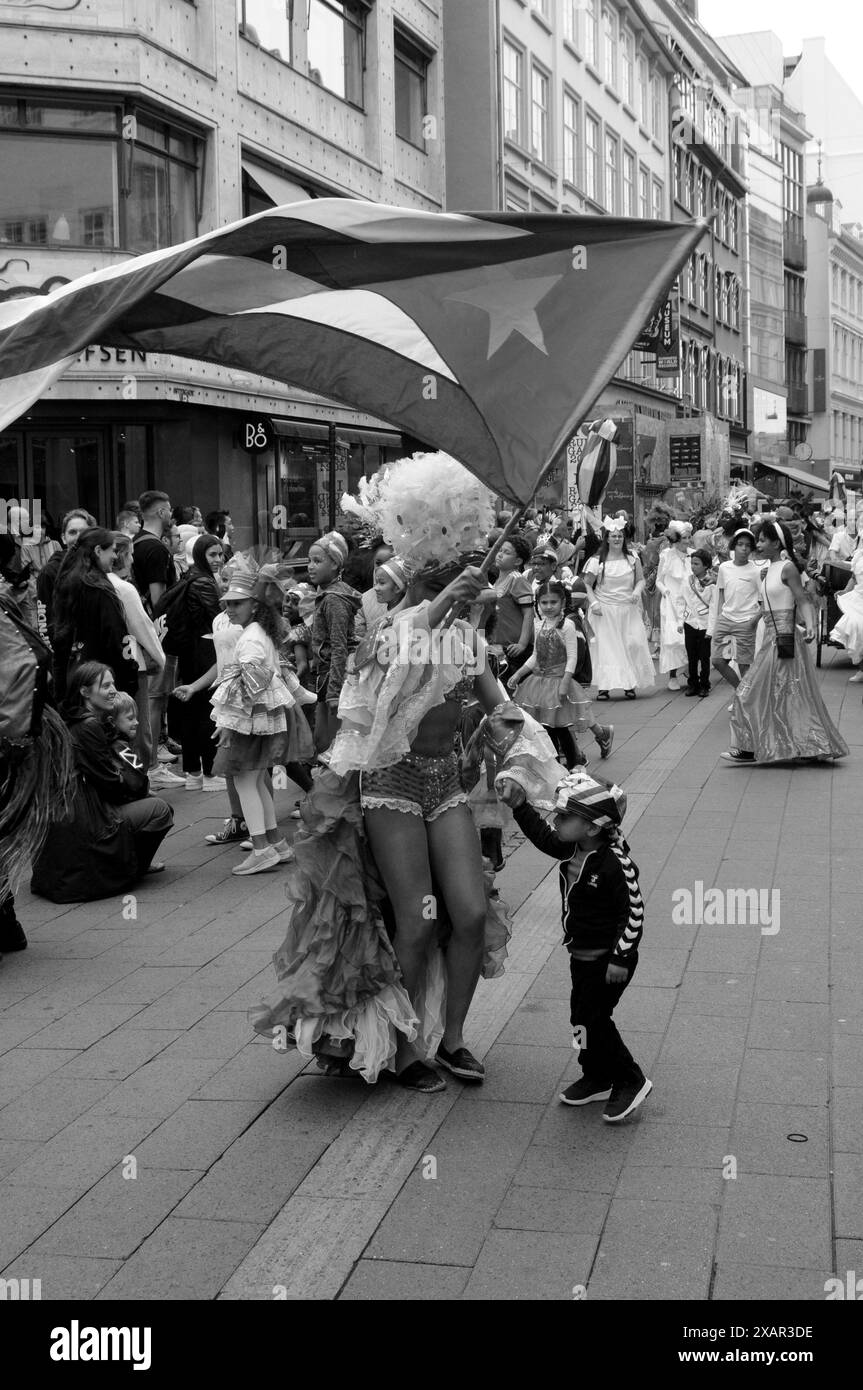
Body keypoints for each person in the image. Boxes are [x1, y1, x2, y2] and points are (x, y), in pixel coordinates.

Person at [252, 453, 513, 1092]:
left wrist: (532, 757)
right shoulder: (388, 631)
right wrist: (436, 609)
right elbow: (385, 676)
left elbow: (499, 705)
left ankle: (451, 1040)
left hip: (443, 783)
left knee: (472, 915)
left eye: (456, 582)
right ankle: (402, 1052)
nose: (453, 592)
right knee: (418, 917)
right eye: (439, 583)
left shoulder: (466, 640)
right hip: (389, 786)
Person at [500, 769, 652, 1122]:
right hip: (581, 956)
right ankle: (595, 1074)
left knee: (595, 1020)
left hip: (609, 960)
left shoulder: (617, 865)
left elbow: (634, 914)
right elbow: (543, 837)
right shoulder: (572, 847)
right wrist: (520, 806)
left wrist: (621, 957)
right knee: (580, 1019)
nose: (557, 819)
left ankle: (630, 1079)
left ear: (593, 827)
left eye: (566, 816)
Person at [31, 662, 174, 901]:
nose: (113, 690)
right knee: (160, 809)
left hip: (69, 815)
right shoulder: (91, 727)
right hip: (85, 819)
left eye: (113, 684)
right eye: (106, 685)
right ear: (85, 692)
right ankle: (133, 868)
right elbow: (114, 783)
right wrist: (136, 785)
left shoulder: (71, 721)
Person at [1, 544, 76, 954]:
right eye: (20, 578)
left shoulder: (7, 615)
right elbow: (29, 665)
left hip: (16, 741)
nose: (28, 585)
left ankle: (6, 921)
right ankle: (6, 921)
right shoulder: (5, 615)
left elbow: (29, 665)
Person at [723, 520, 849, 765]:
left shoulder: (787, 567)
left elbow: (802, 599)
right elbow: (768, 605)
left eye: (761, 540)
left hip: (785, 640)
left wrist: (812, 625)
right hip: (772, 639)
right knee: (777, 694)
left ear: (776, 543)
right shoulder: (767, 570)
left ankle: (754, 749)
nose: (756, 544)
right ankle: (797, 746)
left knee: (766, 693)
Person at [210, 568, 302, 874]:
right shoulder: (261, 633)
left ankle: (262, 848)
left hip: (250, 720)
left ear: (255, 605)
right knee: (256, 778)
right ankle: (275, 842)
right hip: (265, 719)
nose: (229, 608)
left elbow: (248, 686)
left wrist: (227, 723)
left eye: (237, 603)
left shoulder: (249, 638)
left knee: (244, 780)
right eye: (228, 603)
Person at [508, 580, 612, 767]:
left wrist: (565, 681)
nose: (548, 607)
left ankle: (574, 764)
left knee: (561, 728)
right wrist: (519, 674)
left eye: (553, 602)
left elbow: (572, 657)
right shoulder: (538, 625)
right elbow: (535, 656)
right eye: (544, 602)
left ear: (562, 602)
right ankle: (554, 766)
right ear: (538, 604)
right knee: (545, 729)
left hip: (558, 682)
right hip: (538, 683)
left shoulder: (568, 625)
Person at [51, 528, 139, 703]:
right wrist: (130, 677)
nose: (115, 557)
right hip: (103, 684)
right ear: (98, 551)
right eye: (113, 550)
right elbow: (116, 637)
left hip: (74, 682)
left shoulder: (65, 582)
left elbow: (60, 638)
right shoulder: (100, 589)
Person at [168, 534, 227, 790]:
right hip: (206, 649)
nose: (217, 559)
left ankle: (194, 773)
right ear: (202, 554)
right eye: (212, 554)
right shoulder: (204, 582)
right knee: (206, 710)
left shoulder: (190, 576)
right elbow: (220, 618)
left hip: (191, 650)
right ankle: (211, 774)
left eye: (220, 554)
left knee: (192, 709)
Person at [133, 491, 181, 785]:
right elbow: (159, 599)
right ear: (162, 512)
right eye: (170, 509)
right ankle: (151, 764)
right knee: (155, 698)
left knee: (153, 698)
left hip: (143, 632)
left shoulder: (136, 544)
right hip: (156, 633)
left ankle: (150, 760)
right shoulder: (155, 549)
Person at [109, 532, 165, 766]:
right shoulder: (123, 588)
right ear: (119, 555)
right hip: (132, 663)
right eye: (130, 554)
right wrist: (161, 659)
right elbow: (143, 628)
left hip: (106, 667)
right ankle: (143, 773)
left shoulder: (91, 583)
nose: (133, 560)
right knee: (137, 723)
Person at [582, 518, 654, 700]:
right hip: (604, 610)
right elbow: (587, 584)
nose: (616, 539)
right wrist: (594, 603)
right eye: (613, 536)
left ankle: (630, 683)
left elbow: (640, 579)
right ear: (607, 538)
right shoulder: (597, 561)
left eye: (620, 536)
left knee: (633, 645)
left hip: (628, 609)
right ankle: (604, 687)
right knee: (607, 649)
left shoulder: (632, 558)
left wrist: (637, 591)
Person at [307, 531, 361, 753]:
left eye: (317, 561)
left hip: (334, 679)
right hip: (327, 677)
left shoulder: (334, 599)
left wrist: (334, 693)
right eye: (309, 560)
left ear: (335, 565)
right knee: (324, 743)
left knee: (331, 745)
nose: (310, 566)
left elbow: (340, 646)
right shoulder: (329, 594)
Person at [709, 528, 763, 693]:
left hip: (746, 621)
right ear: (734, 546)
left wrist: (753, 621)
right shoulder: (724, 567)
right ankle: (741, 692)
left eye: (747, 545)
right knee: (717, 660)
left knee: (744, 664)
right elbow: (721, 593)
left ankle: (746, 703)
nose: (744, 548)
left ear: (752, 548)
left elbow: (765, 601)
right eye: (740, 544)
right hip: (725, 619)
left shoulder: (756, 570)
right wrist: (719, 617)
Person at [36, 507, 96, 644]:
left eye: (83, 532)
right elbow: (45, 624)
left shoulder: (101, 566)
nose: (78, 537)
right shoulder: (49, 572)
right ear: (63, 538)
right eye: (72, 532)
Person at [487, 535, 534, 680]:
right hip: (498, 648)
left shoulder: (517, 579)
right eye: (500, 550)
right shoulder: (496, 582)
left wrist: (522, 644)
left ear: (518, 561)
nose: (500, 554)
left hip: (514, 650)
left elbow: (528, 613)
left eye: (507, 552)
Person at [656, 520, 692, 691]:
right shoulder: (666, 555)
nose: (687, 541)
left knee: (691, 636)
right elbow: (659, 581)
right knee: (672, 638)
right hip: (671, 602)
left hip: (689, 602)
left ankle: (688, 668)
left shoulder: (693, 555)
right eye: (684, 537)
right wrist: (666, 592)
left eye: (688, 537)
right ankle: (672, 675)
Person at [682, 548, 715, 697]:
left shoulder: (712, 583)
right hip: (690, 622)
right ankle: (693, 683)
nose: (693, 566)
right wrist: (681, 619)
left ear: (706, 566)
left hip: (705, 624)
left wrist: (711, 630)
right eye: (692, 563)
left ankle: (704, 684)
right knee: (691, 655)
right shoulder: (688, 581)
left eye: (696, 563)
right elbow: (681, 600)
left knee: (704, 656)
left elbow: (714, 607)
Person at [830, 548, 863, 681]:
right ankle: (862, 669)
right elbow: (854, 578)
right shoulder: (859, 555)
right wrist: (844, 591)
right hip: (858, 600)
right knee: (855, 627)